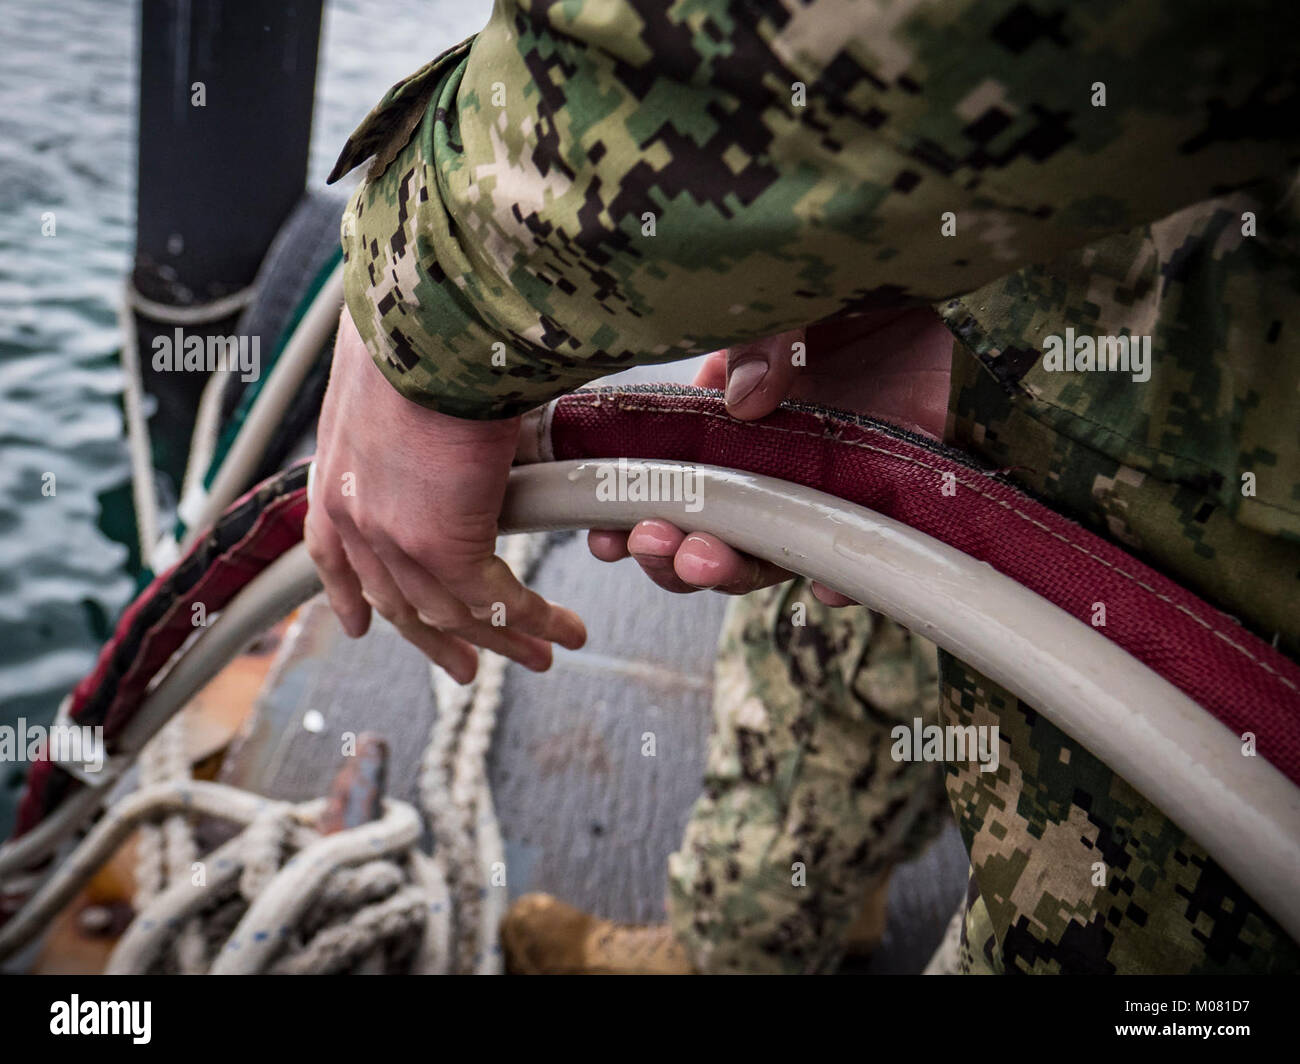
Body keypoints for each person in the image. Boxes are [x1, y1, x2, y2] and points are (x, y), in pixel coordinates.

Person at [306, 0, 1300, 972]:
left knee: (1121, 895)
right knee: (829, 610)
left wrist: (423, 298)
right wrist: (971, 287)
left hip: (1252, 478)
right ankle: (751, 935)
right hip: (1134, 319)